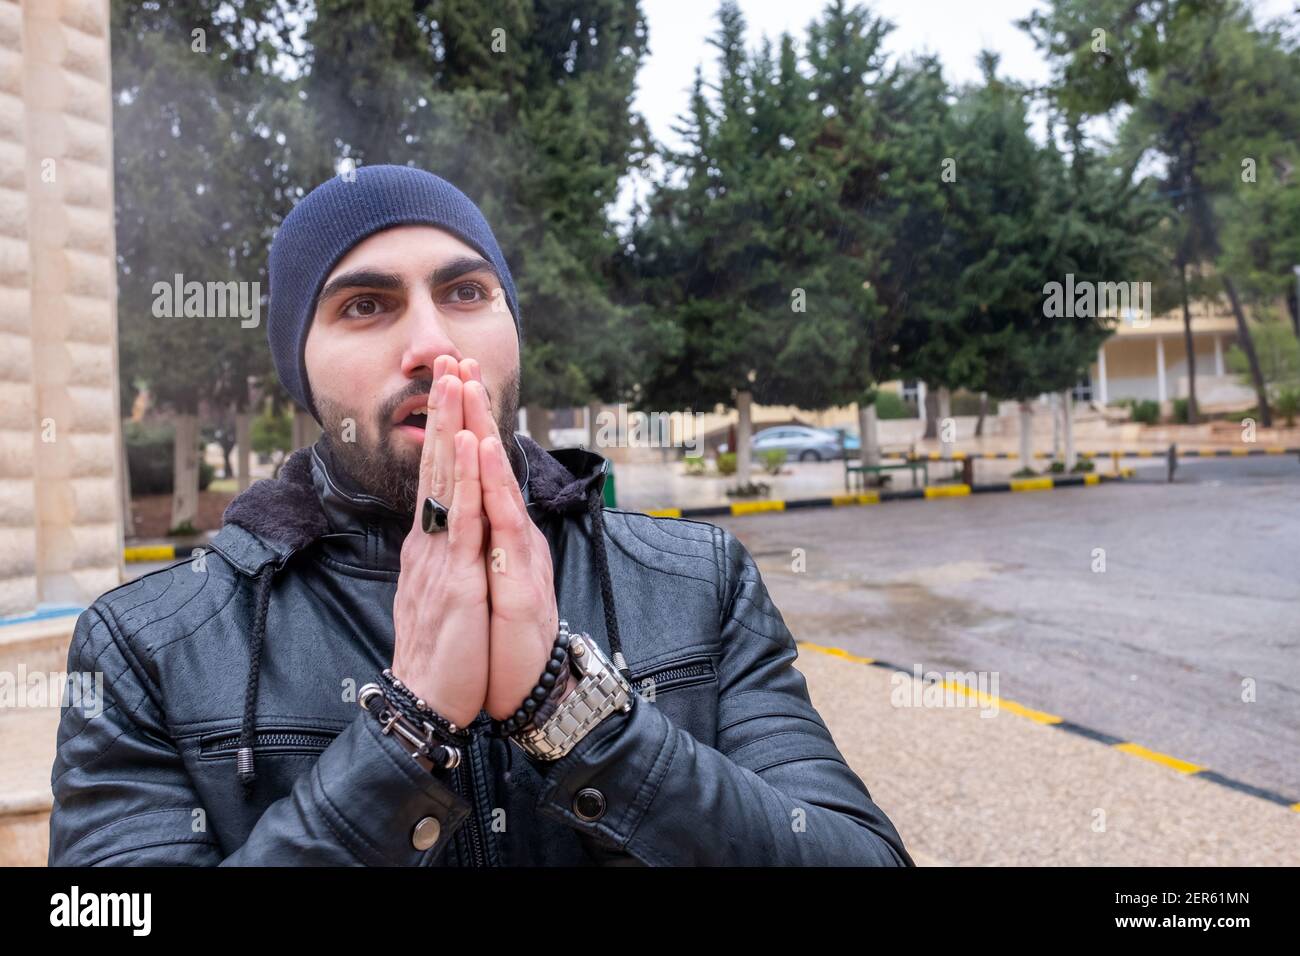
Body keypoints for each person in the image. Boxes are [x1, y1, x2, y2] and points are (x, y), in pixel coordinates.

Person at [48, 164, 913, 866]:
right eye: (365, 304)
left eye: (466, 293)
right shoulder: (149, 647)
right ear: (299, 372)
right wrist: (406, 734)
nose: (433, 343)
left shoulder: (698, 584)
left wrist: (573, 714)